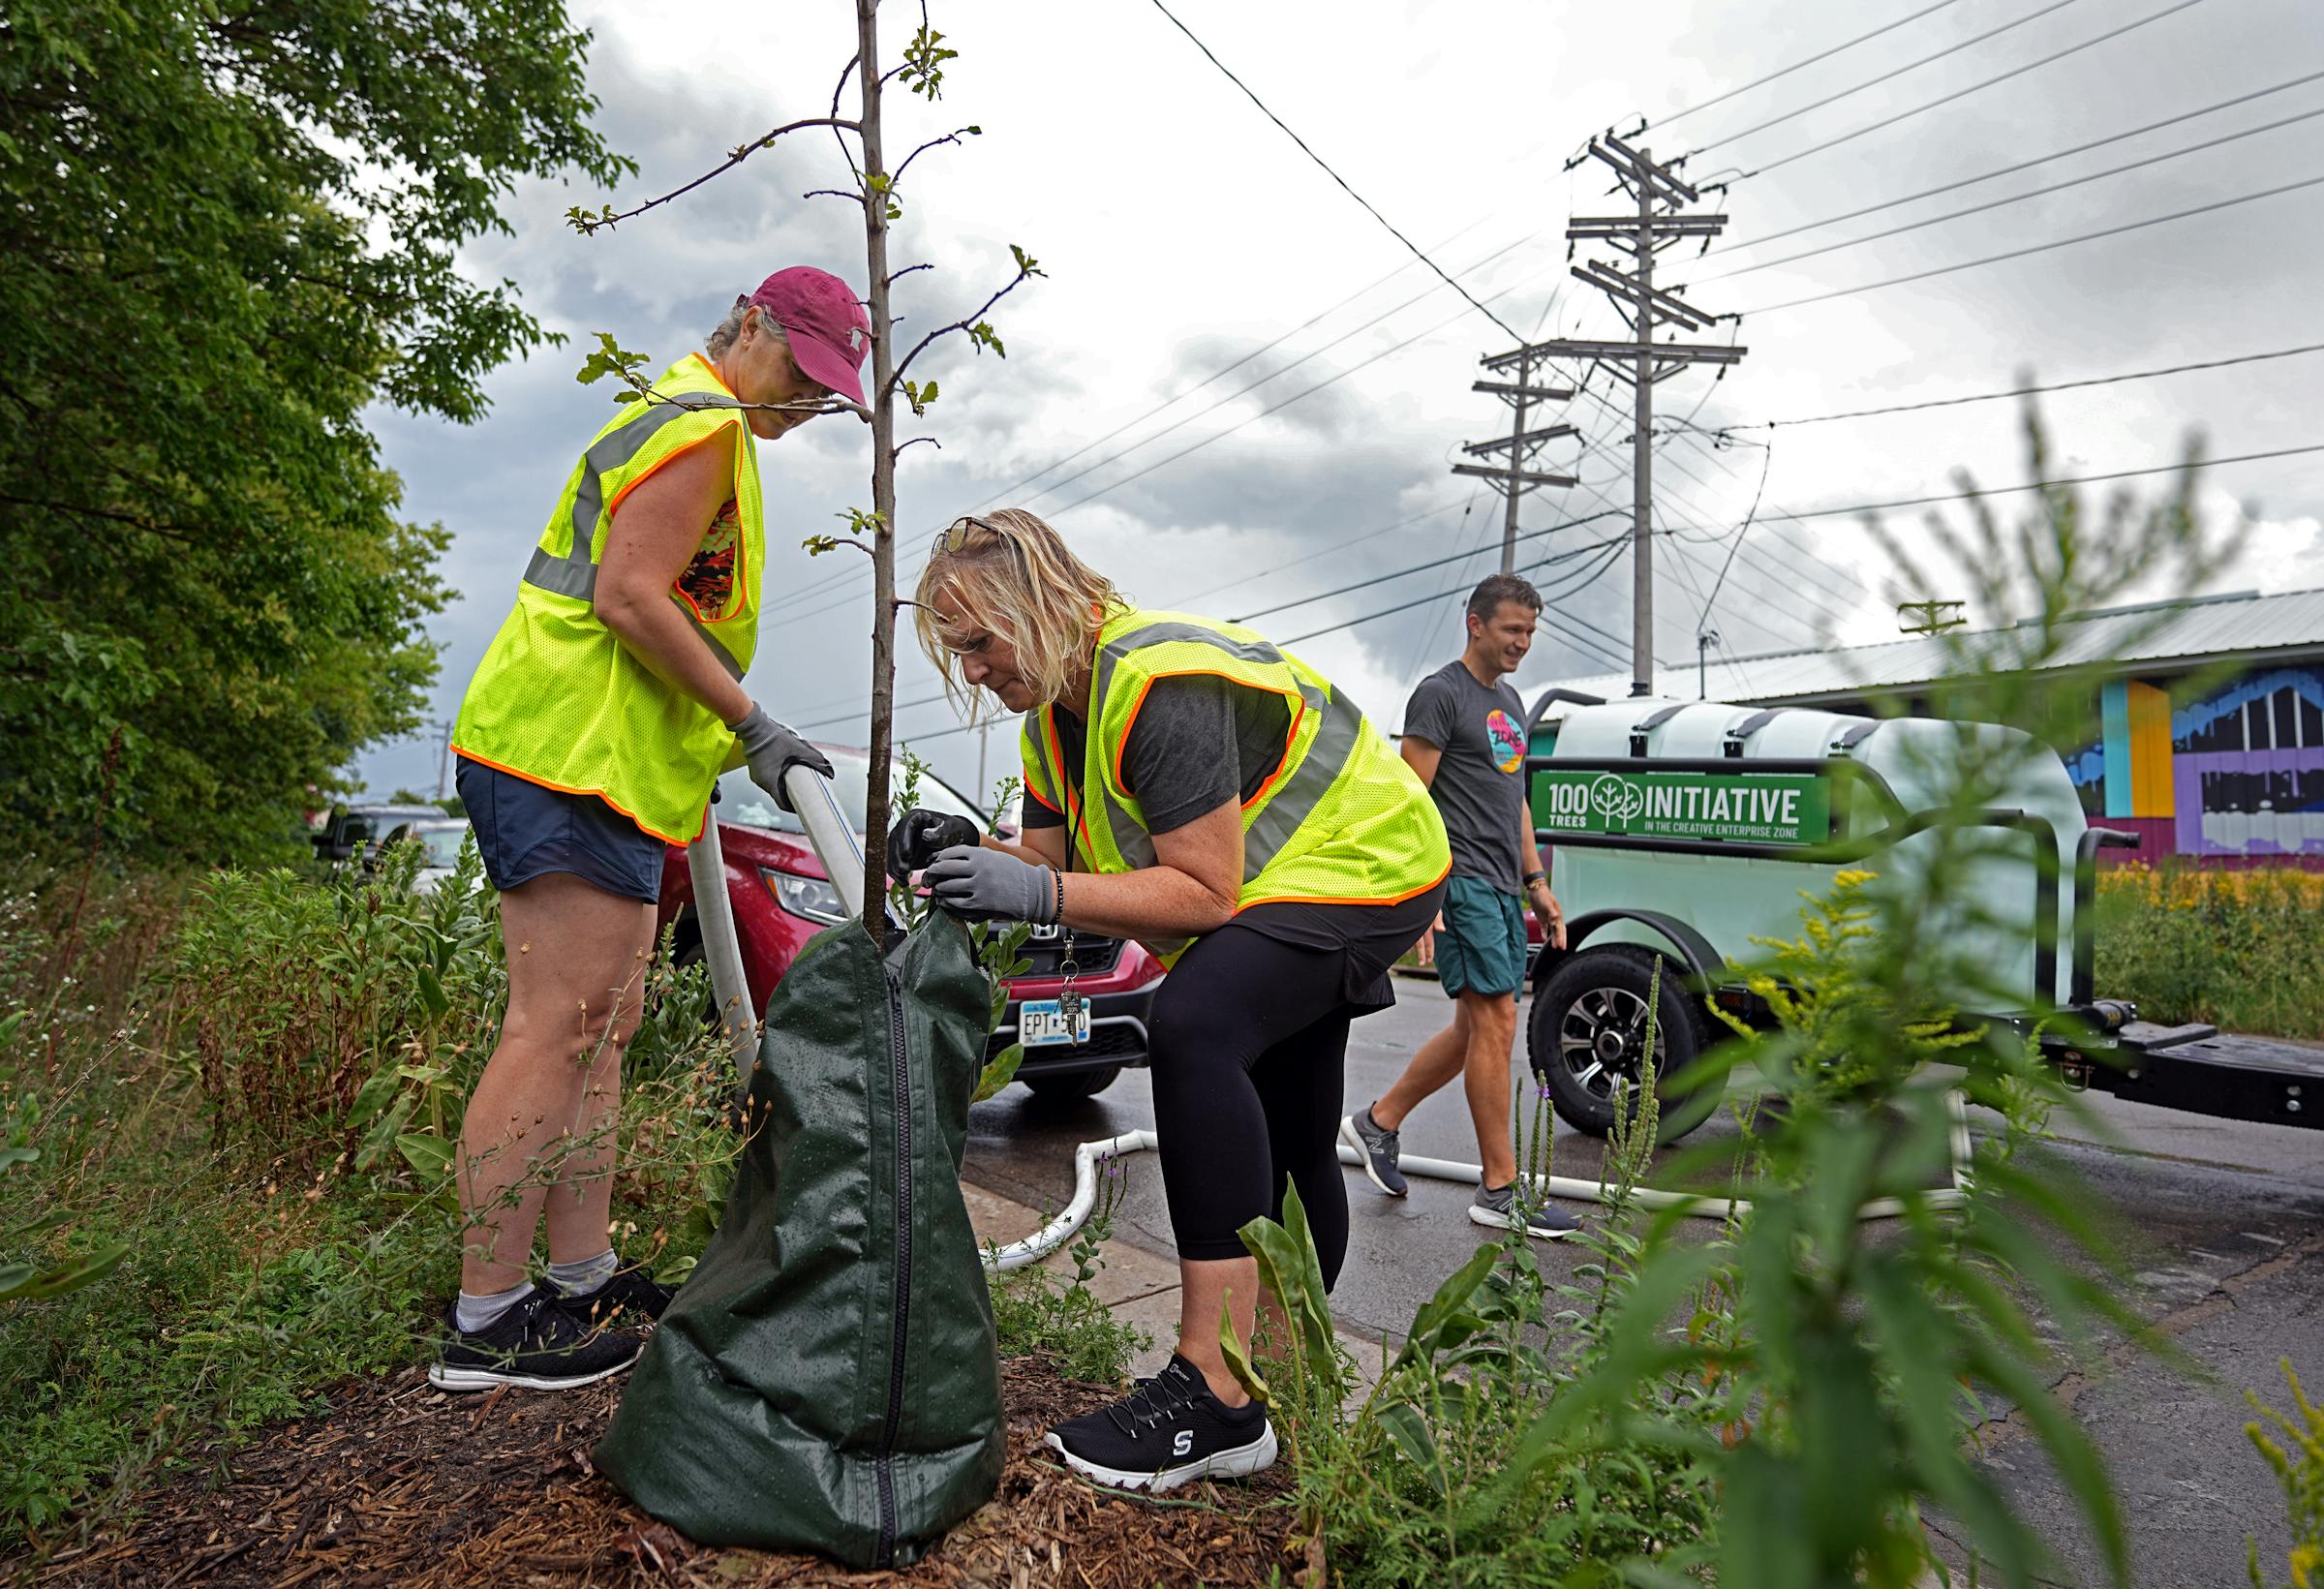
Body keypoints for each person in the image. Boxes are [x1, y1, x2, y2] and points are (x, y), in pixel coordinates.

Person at [885, 509, 1450, 1492]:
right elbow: (1050, 861)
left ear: (1043, 604)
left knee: (1192, 1027)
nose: (971, 669)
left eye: (980, 642)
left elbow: (1201, 893)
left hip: (1368, 864)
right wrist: (967, 850)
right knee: (1288, 1124)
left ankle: (1216, 1394)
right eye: (958, 651)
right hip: (1293, 880)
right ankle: (1285, 1383)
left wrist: (1040, 891)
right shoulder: (1054, 723)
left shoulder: (1158, 683)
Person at [431, 267, 864, 1391]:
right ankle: (488, 1321)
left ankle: (579, 1277)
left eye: (830, 391)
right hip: (561, 751)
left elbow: (671, 608)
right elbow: (629, 593)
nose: (810, 402)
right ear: (754, 324)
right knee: (555, 1024)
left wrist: (708, 748)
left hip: (607, 766)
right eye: (805, 373)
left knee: (604, 1026)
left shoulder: (710, 428)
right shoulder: (703, 423)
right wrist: (751, 722)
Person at [1340, 573, 1579, 1239]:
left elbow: (1517, 799)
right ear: (1475, 623)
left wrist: (1537, 881)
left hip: (1503, 883)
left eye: (1530, 632)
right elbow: (1409, 801)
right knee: (1498, 1020)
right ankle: (1500, 1187)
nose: (1522, 644)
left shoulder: (1511, 701)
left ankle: (1377, 1121)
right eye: (1511, 630)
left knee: (1474, 1028)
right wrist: (1425, 892)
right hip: (1460, 879)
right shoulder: (1440, 695)